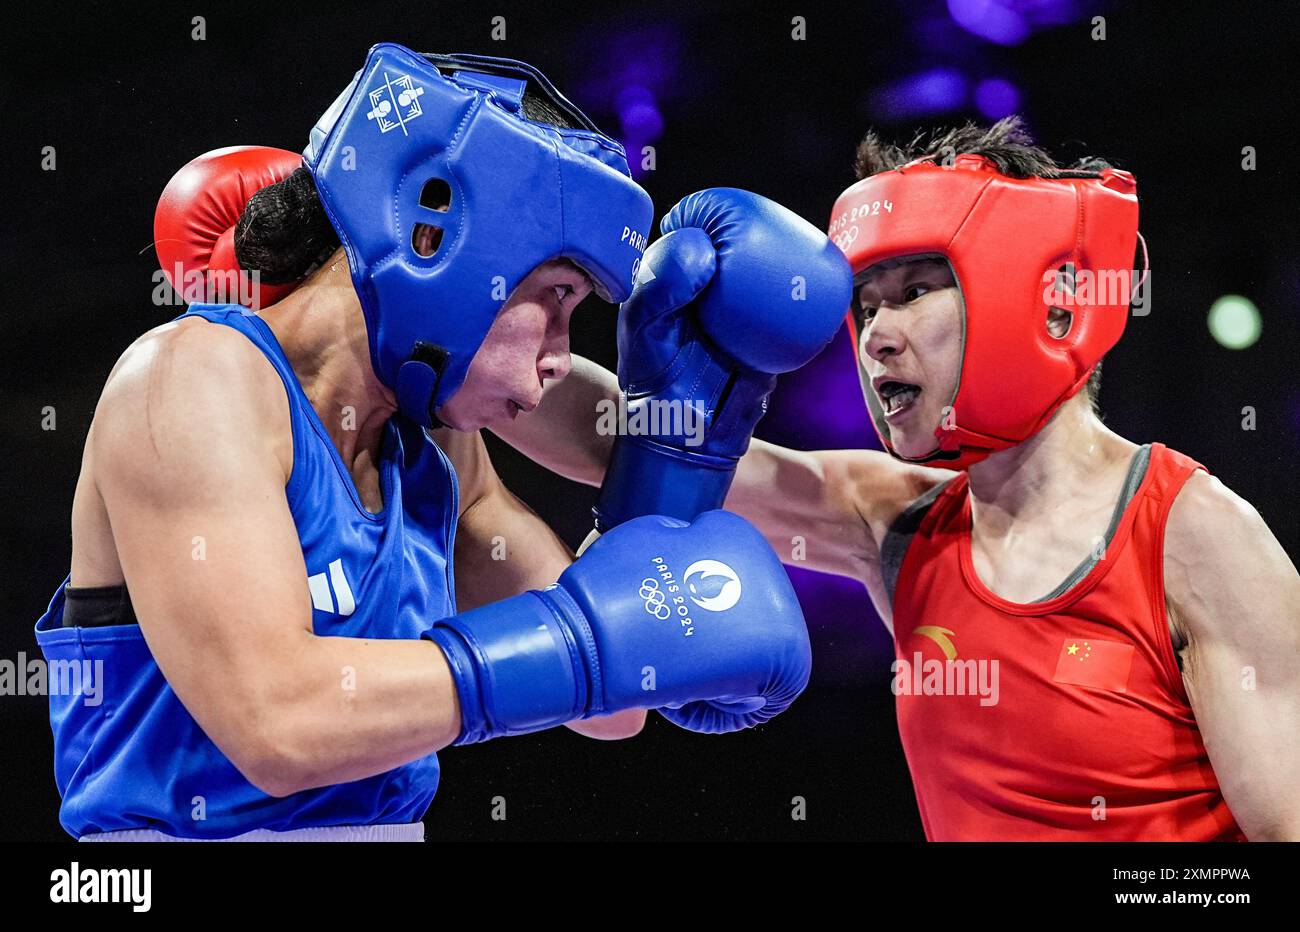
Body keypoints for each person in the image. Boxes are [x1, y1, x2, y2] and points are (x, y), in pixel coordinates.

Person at [33, 44, 820, 841]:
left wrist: (667, 470)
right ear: (434, 233)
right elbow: (279, 724)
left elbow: (613, 707)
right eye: (554, 296)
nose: (557, 354)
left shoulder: (437, 450)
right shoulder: (190, 382)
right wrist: (579, 649)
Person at [493, 118, 1300, 841]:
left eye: (914, 293)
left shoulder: (1193, 534)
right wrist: (473, 345)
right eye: (866, 307)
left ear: (1049, 304)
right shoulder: (899, 524)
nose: (876, 337)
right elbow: (632, 447)